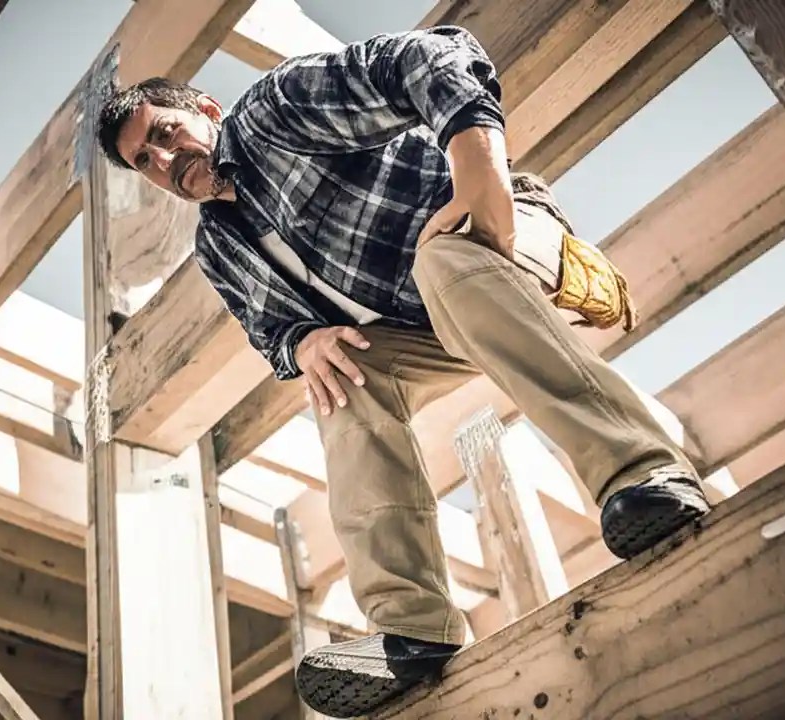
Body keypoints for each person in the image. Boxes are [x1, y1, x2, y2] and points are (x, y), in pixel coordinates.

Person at [95, 26, 709, 718]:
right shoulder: (218, 246)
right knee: (335, 380)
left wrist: (480, 170)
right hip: (426, 325)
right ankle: (415, 628)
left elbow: (431, 55)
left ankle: (645, 475)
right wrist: (302, 346)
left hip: (494, 244)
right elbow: (275, 333)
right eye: (145, 160)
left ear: (207, 110)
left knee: (441, 259)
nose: (165, 158)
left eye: (168, 133)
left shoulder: (277, 111)